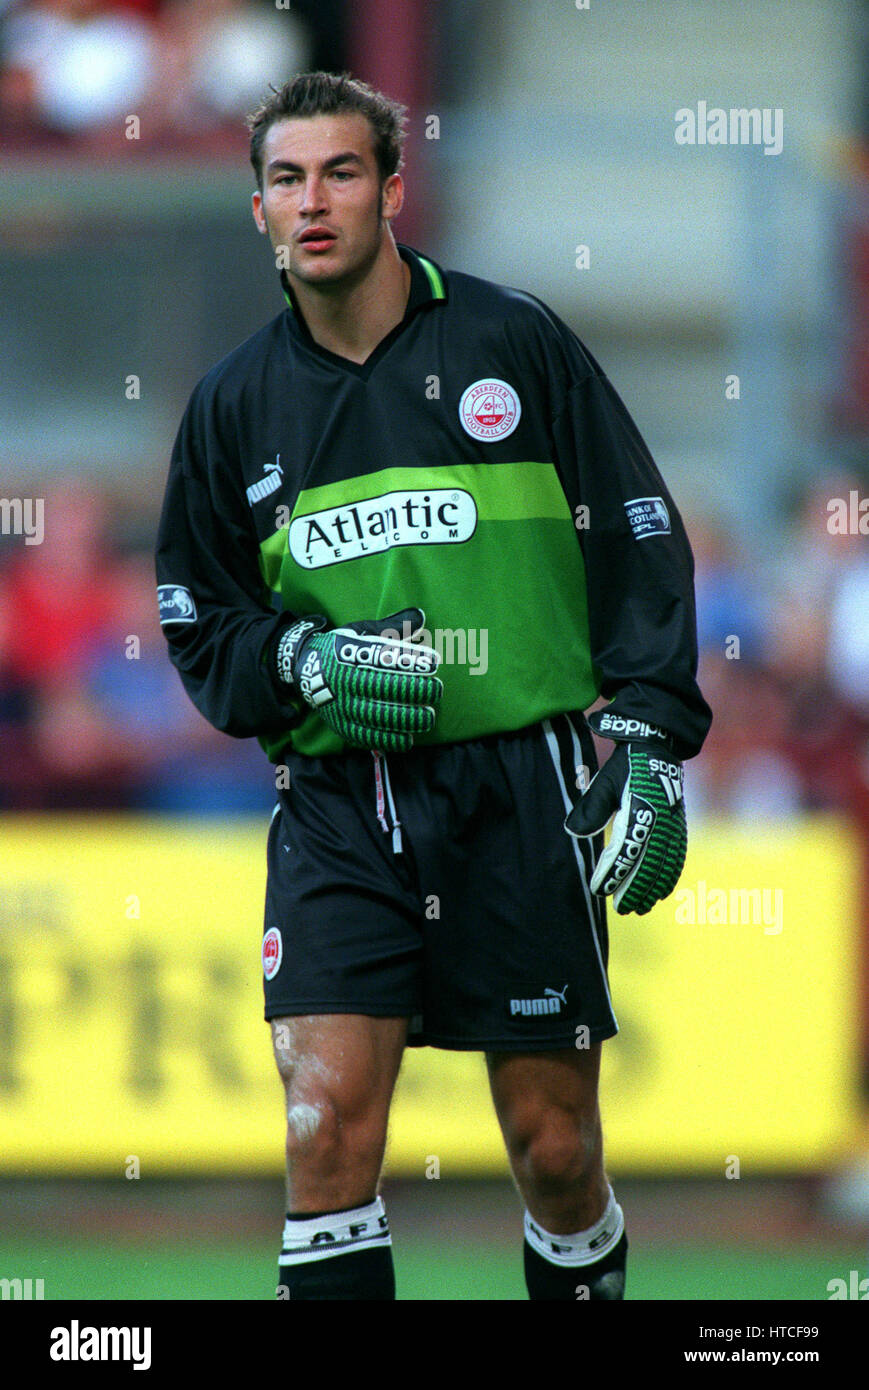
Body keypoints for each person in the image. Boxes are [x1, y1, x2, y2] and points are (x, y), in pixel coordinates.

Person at [155, 71, 712, 1301]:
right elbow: (199, 624)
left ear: (393, 190)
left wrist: (652, 735)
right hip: (337, 803)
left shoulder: (513, 340)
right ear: (255, 209)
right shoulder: (229, 407)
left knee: (554, 1153)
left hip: (522, 793)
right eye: (285, 179)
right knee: (322, 1130)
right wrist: (299, 659)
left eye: (340, 173)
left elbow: (634, 530)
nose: (312, 202)